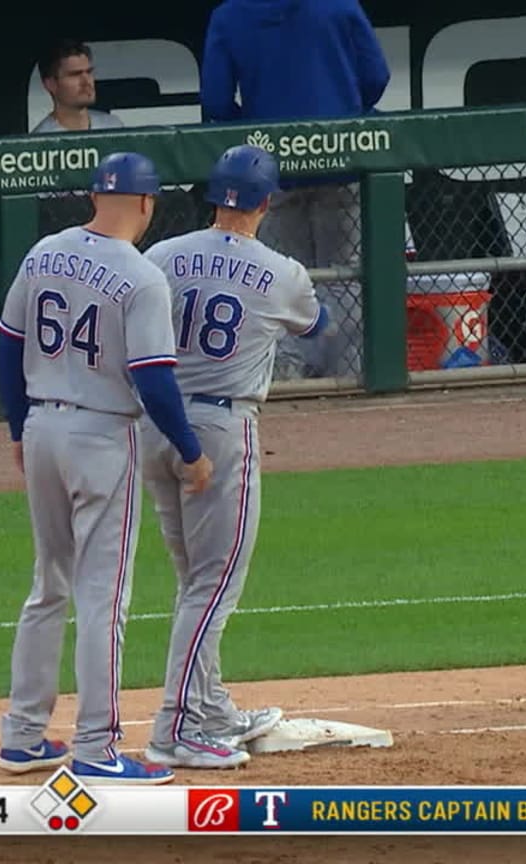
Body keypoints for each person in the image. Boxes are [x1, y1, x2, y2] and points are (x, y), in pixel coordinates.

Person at [0, 151, 213, 786]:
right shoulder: (141, 276)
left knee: (47, 585)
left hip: (41, 427)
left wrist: (17, 428)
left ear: (95, 196)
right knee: (101, 597)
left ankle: (23, 735)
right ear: (147, 204)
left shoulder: (43, 252)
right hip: (100, 436)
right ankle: (97, 746)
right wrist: (191, 451)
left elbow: (9, 347)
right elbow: (154, 380)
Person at [138, 144, 326, 769]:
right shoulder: (282, 271)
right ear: (267, 203)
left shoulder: (161, 255)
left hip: (156, 421)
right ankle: (178, 729)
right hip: (221, 428)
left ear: (214, 195)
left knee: (193, 579)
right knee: (212, 586)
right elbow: (314, 324)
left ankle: (212, 707)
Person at [199, 0, 389, 380]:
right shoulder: (338, 5)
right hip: (341, 159)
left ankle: (287, 377)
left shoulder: (232, 14)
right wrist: (342, 112)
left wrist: (258, 125)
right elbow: (376, 77)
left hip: (271, 173)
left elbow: (217, 101)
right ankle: (349, 377)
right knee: (346, 279)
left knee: (278, 279)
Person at [30, 39, 125, 134]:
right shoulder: (41, 140)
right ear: (50, 84)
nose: (86, 81)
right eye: (75, 74)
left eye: (89, 72)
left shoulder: (112, 126)